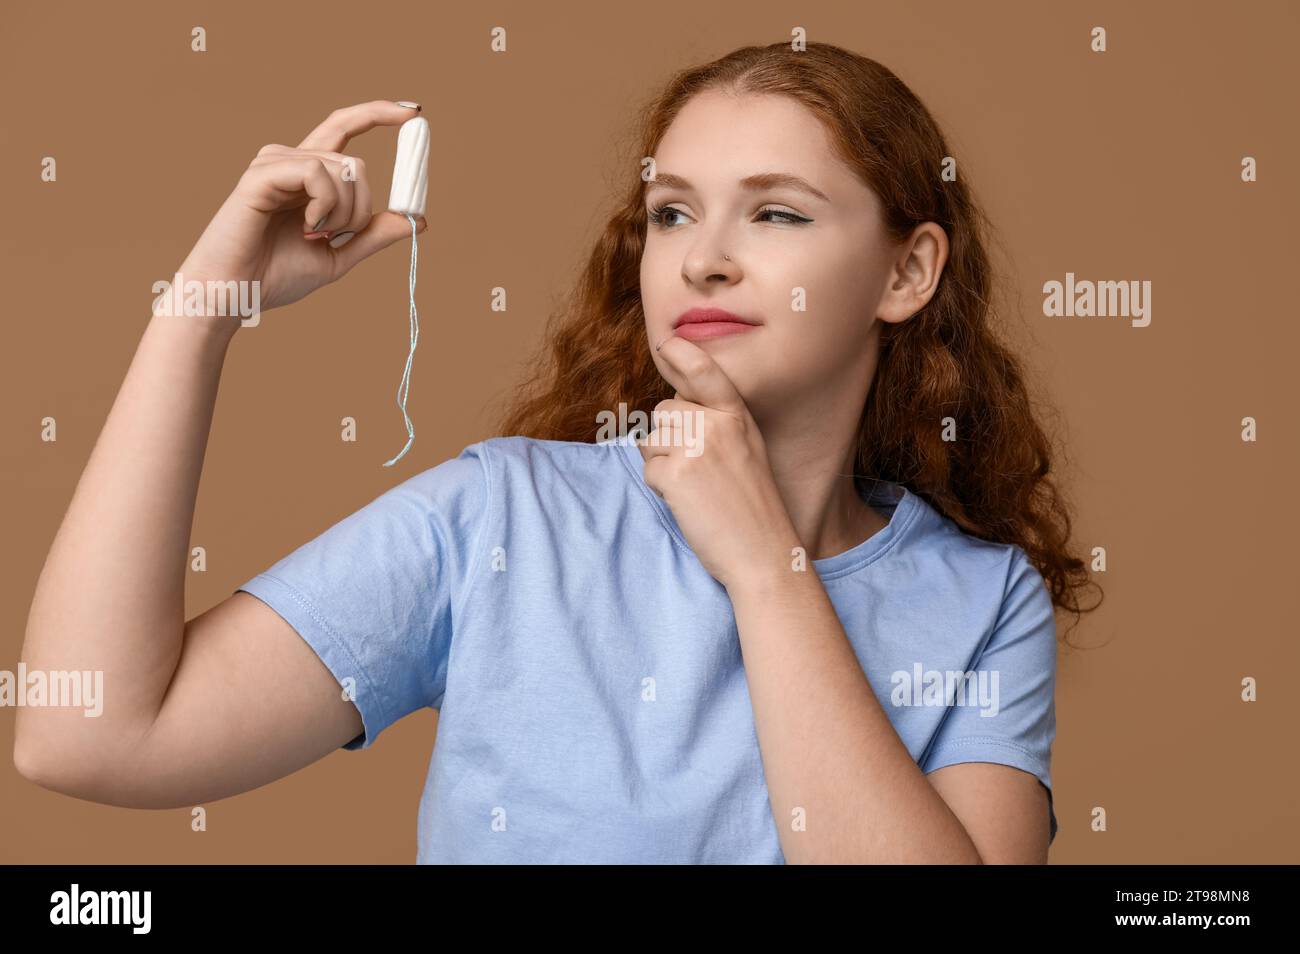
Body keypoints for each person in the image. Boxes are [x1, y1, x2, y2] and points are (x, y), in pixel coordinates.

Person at [16, 41, 1100, 864]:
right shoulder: (502, 520)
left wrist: (765, 564)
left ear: (906, 274)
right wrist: (204, 309)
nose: (706, 260)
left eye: (774, 214)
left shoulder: (980, 599)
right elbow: (86, 737)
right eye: (672, 213)